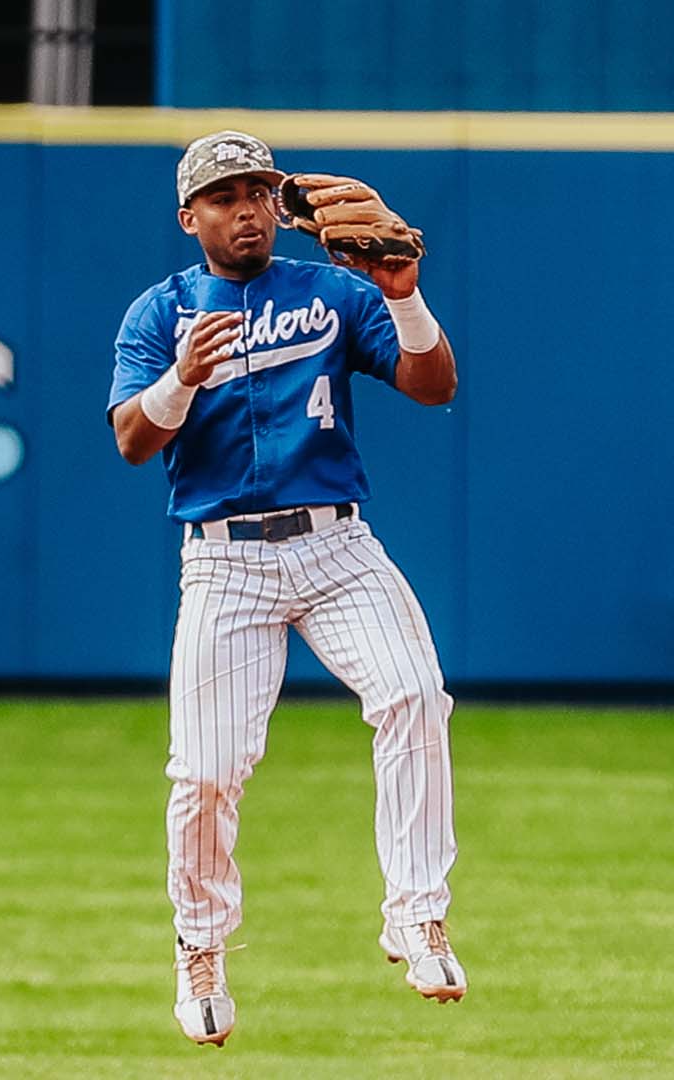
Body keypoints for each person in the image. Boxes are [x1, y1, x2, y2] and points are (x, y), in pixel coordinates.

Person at [106, 130, 467, 1047]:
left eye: (260, 193)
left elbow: (434, 386)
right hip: (223, 561)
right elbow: (131, 441)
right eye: (225, 197)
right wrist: (182, 380)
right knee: (207, 774)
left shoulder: (331, 291)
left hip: (336, 545)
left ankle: (417, 915)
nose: (247, 210)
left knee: (416, 694)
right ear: (191, 217)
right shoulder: (160, 313)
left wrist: (407, 296)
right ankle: (200, 946)